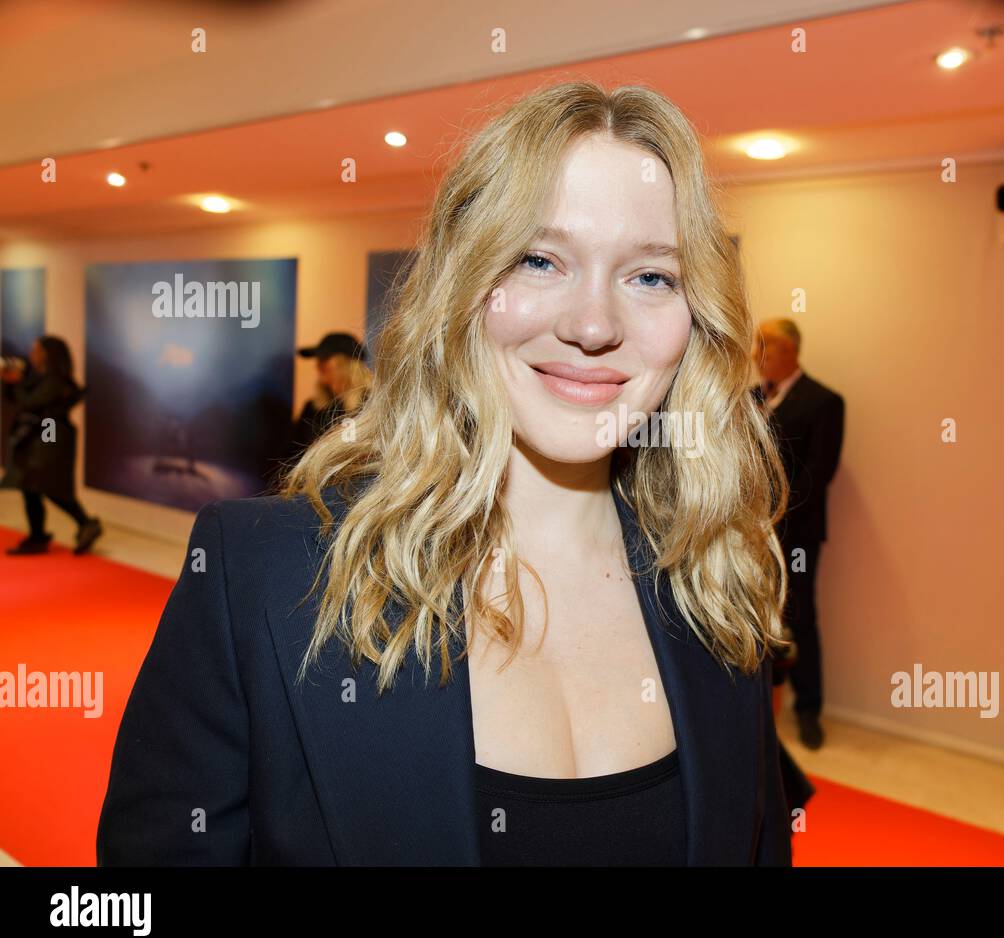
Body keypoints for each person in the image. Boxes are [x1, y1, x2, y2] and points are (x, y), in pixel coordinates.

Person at [97, 81, 794, 866]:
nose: (594, 325)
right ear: (462, 287)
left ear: (694, 320)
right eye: (539, 259)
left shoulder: (717, 585)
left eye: (651, 277)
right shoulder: (262, 578)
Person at [753, 318, 845, 749]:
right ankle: (756, 710)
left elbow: (817, 474)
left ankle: (808, 711)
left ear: (788, 351)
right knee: (753, 618)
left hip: (796, 536)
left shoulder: (824, 401)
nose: (756, 356)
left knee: (799, 619)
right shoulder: (750, 399)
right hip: (747, 534)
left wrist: (773, 516)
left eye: (764, 347)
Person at [0, 335, 103, 556]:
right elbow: (22, 401)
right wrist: (11, 383)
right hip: (48, 432)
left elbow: (31, 403)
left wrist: (16, 383)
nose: (31, 352)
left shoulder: (55, 380)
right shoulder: (43, 378)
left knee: (46, 483)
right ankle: (39, 535)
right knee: (33, 484)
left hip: (51, 432)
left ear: (47, 354)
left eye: (36, 349)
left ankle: (85, 523)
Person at [284, 332, 372, 467]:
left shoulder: (373, 404)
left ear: (346, 363)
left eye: (325, 360)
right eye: (318, 360)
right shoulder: (314, 409)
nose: (318, 366)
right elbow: (292, 457)